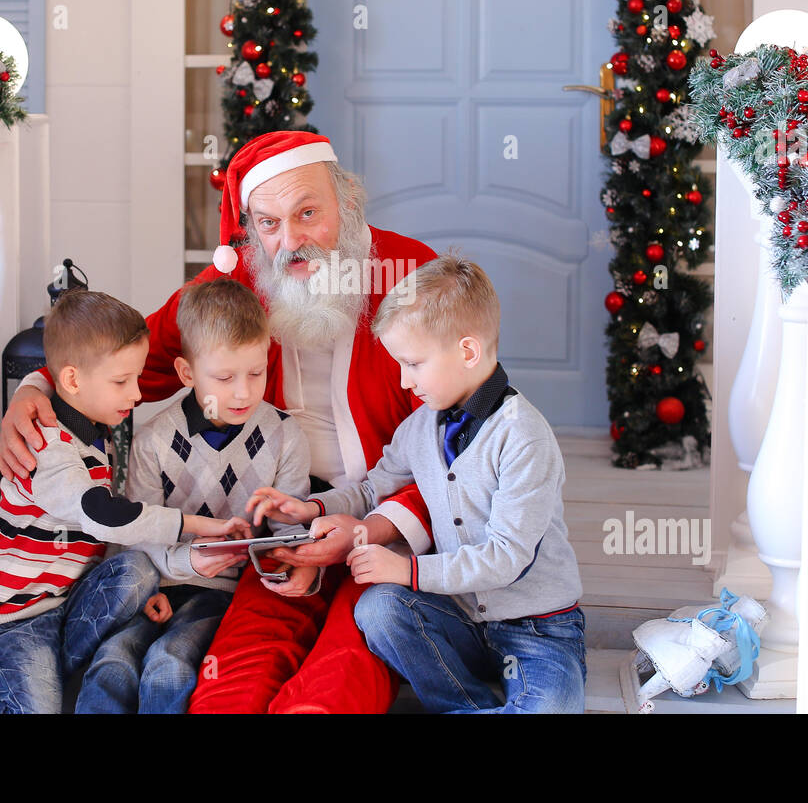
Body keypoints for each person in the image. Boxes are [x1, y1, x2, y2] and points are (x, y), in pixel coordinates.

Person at [0, 130, 437, 713]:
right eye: (269, 223)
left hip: (382, 522)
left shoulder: (411, 274)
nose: (292, 242)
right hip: (269, 528)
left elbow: (464, 446)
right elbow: (135, 357)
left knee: (344, 666)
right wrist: (38, 385)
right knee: (232, 678)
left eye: (309, 213)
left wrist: (369, 530)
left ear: (348, 206)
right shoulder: (235, 285)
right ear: (250, 231)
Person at [249, 255, 587, 713]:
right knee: (378, 609)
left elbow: (507, 558)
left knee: (549, 708)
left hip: (537, 627)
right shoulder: (421, 425)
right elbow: (373, 490)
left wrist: (408, 571)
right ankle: (459, 703)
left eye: (413, 364)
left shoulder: (522, 435)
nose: (405, 380)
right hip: (461, 618)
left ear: (467, 352)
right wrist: (315, 508)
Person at [0, 289, 248, 714]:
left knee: (137, 571)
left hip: (64, 600)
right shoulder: (49, 447)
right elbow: (103, 515)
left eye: (137, 378)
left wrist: (141, 598)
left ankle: (56, 677)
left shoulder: (92, 423)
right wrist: (198, 525)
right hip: (14, 617)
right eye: (122, 382)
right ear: (71, 381)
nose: (137, 394)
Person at [74, 277, 317, 713]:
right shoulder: (153, 442)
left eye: (256, 372)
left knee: (169, 664)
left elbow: (288, 534)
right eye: (224, 377)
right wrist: (180, 566)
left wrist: (284, 552)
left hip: (222, 593)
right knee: (113, 663)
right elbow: (138, 533)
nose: (243, 391)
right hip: (156, 580)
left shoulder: (284, 436)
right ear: (187, 373)